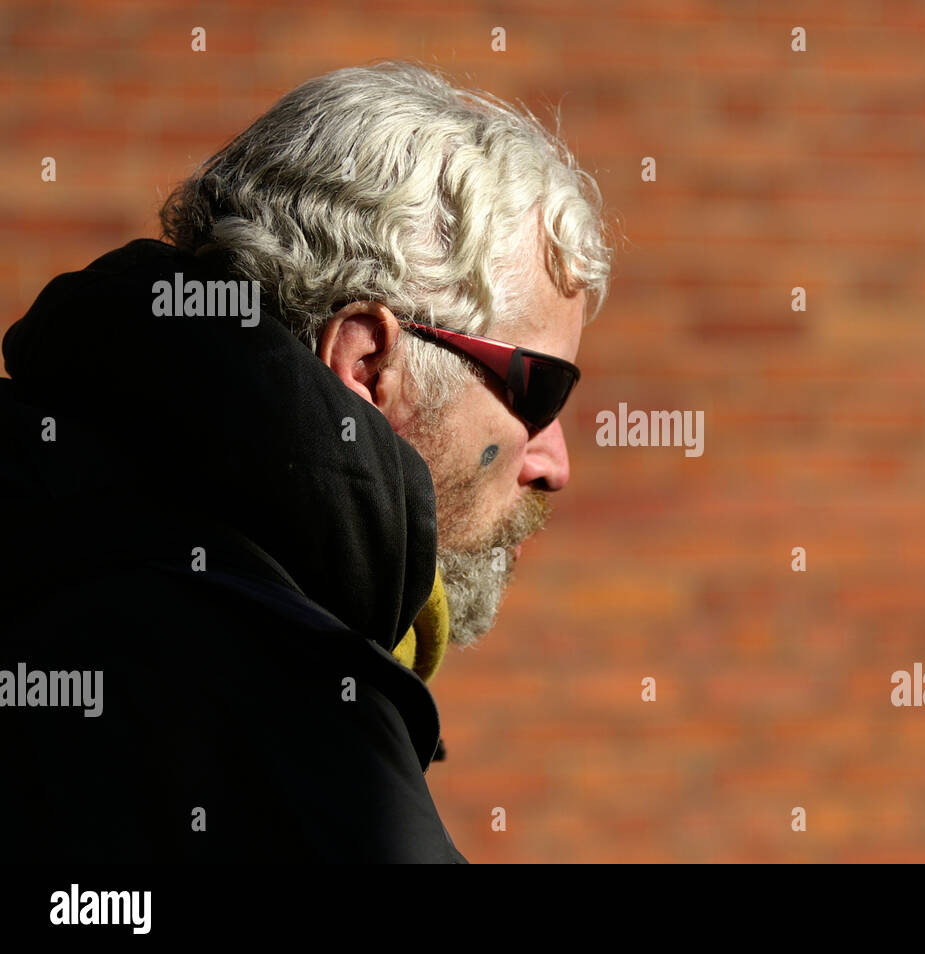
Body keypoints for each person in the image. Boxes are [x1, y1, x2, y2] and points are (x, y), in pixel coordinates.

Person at [0, 61, 615, 862]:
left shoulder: (51, 527)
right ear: (365, 367)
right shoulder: (292, 710)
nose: (555, 462)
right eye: (540, 390)